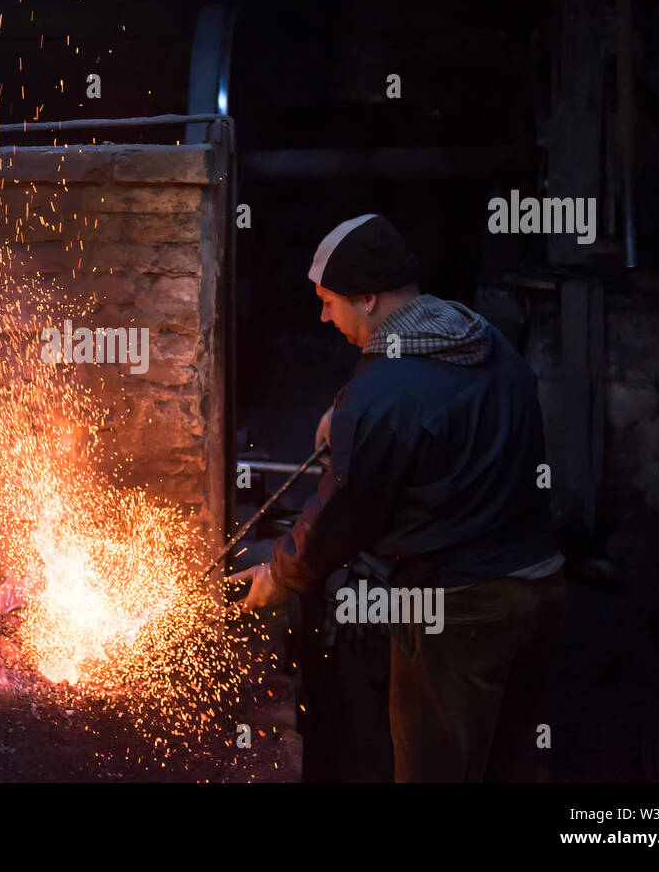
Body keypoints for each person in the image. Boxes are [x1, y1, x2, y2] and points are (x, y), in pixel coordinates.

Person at [228, 213, 568, 782]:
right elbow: (436, 403)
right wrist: (345, 407)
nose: (322, 315)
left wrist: (278, 575)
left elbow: (341, 521)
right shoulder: (481, 338)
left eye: (329, 301)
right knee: (511, 764)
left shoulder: (383, 394)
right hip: (543, 590)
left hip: (459, 613)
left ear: (368, 298)